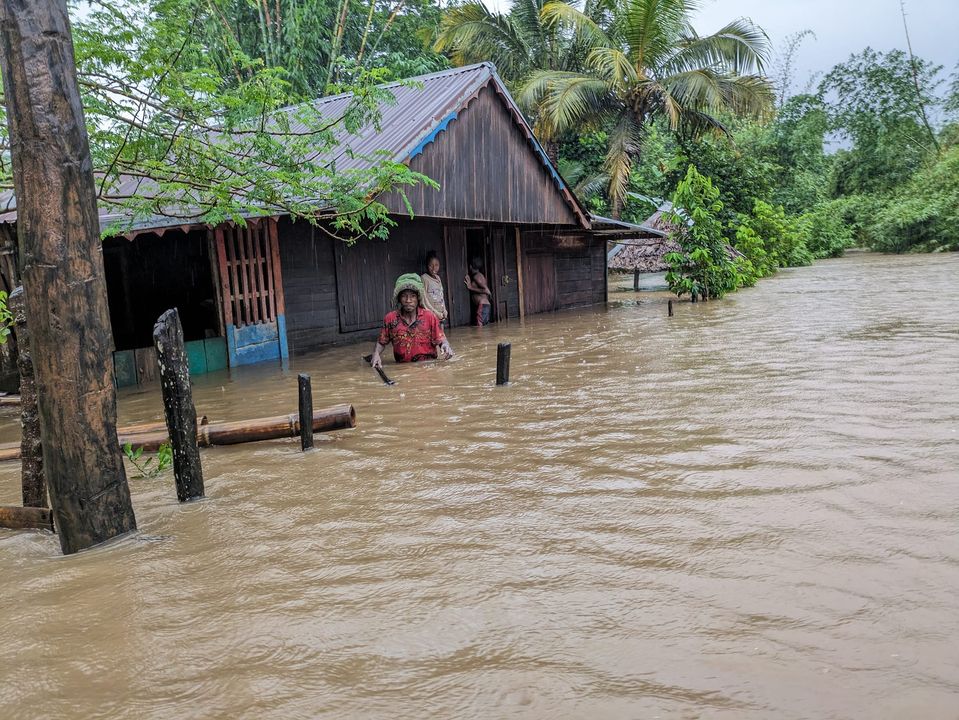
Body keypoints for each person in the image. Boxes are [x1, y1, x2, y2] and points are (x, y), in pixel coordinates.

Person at [371, 274, 454, 369]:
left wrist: (446, 346)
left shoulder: (429, 317)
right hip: (402, 370)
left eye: (412, 296)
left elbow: (441, 339)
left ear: (418, 298)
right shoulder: (390, 319)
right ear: (399, 299)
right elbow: (381, 342)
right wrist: (376, 354)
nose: (408, 300)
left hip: (429, 369)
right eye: (404, 296)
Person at [420, 251, 448, 326]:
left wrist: (444, 310)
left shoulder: (438, 278)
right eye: (430, 265)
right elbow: (424, 299)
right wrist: (435, 312)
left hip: (441, 315)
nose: (433, 268)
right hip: (431, 315)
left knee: (441, 336)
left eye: (436, 265)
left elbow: (441, 296)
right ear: (426, 266)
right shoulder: (424, 278)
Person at [464, 257, 492, 326]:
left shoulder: (477, 276)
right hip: (483, 306)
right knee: (482, 330)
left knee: (480, 329)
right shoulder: (477, 276)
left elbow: (487, 291)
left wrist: (470, 287)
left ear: (470, 266)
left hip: (483, 306)